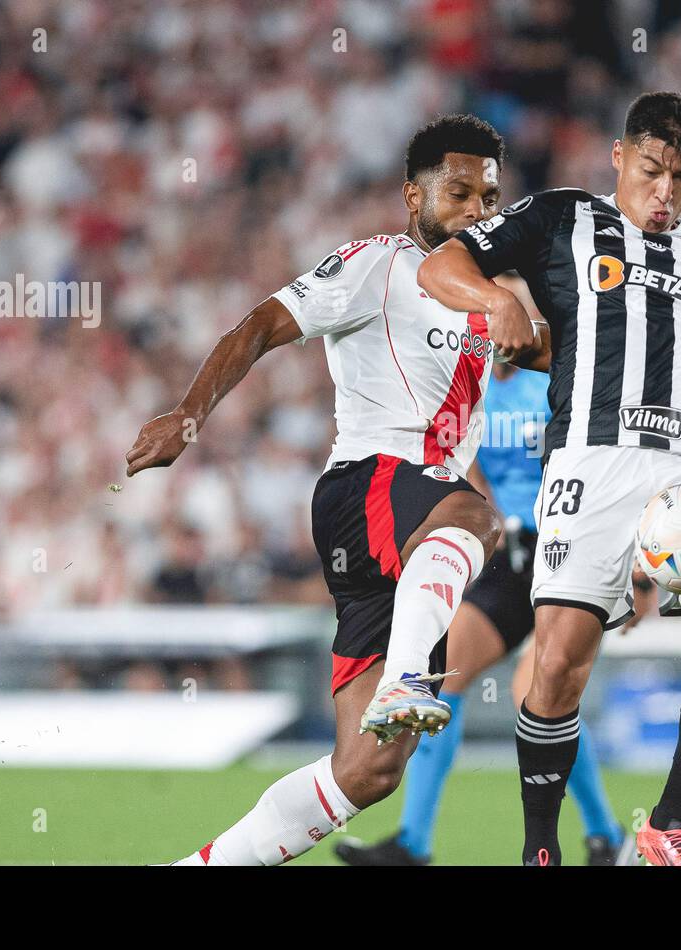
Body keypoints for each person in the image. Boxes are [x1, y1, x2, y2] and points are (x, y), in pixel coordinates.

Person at [125, 114, 535, 865]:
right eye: (460, 191)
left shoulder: (492, 291)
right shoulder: (376, 263)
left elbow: (563, 354)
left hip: (408, 544)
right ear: (413, 194)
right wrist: (188, 415)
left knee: (370, 768)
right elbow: (258, 326)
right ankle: (411, 674)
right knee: (481, 519)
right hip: (372, 485)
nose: (478, 208)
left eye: (490, 196)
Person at [416, 91, 681, 865]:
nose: (665, 192)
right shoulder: (559, 217)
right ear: (620, 156)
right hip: (591, 458)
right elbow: (442, 263)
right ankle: (541, 845)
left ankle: (670, 824)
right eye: (651, 171)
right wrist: (490, 303)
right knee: (555, 667)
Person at [333, 359, 637, 866]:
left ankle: (607, 837)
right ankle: (413, 842)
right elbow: (455, 455)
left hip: (565, 554)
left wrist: (636, 575)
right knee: (441, 678)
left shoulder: (558, 382)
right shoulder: (468, 385)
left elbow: (603, 460)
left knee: (537, 694)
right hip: (507, 560)